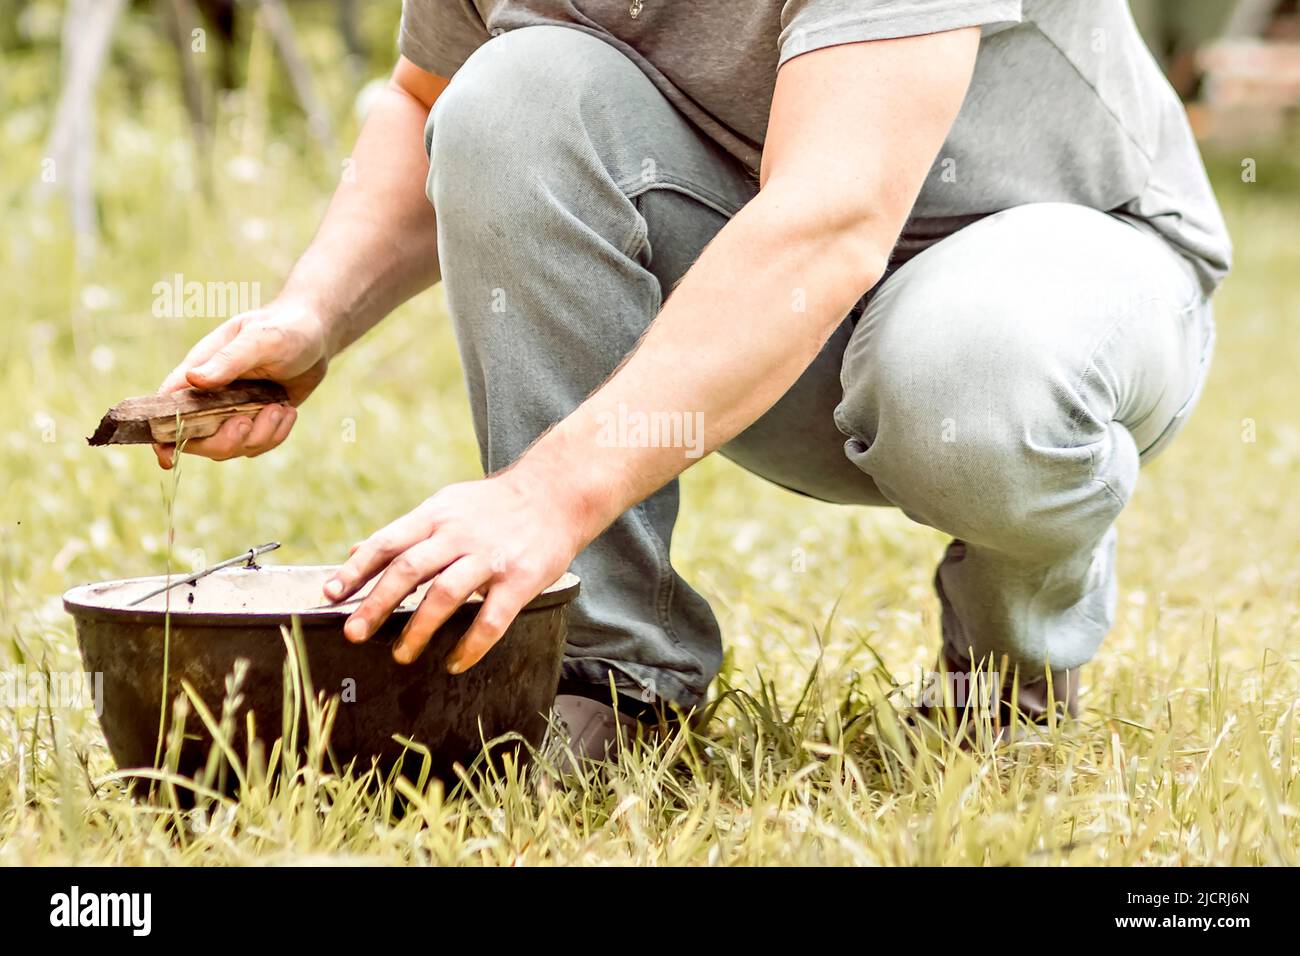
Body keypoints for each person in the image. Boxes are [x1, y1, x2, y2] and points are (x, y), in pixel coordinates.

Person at [156, 1, 1231, 758]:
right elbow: (426, 97)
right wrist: (312, 313)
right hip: (780, 301)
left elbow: (830, 220)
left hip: (1062, 284)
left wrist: (544, 493)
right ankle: (609, 680)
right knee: (512, 90)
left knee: (972, 364)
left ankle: (1009, 676)